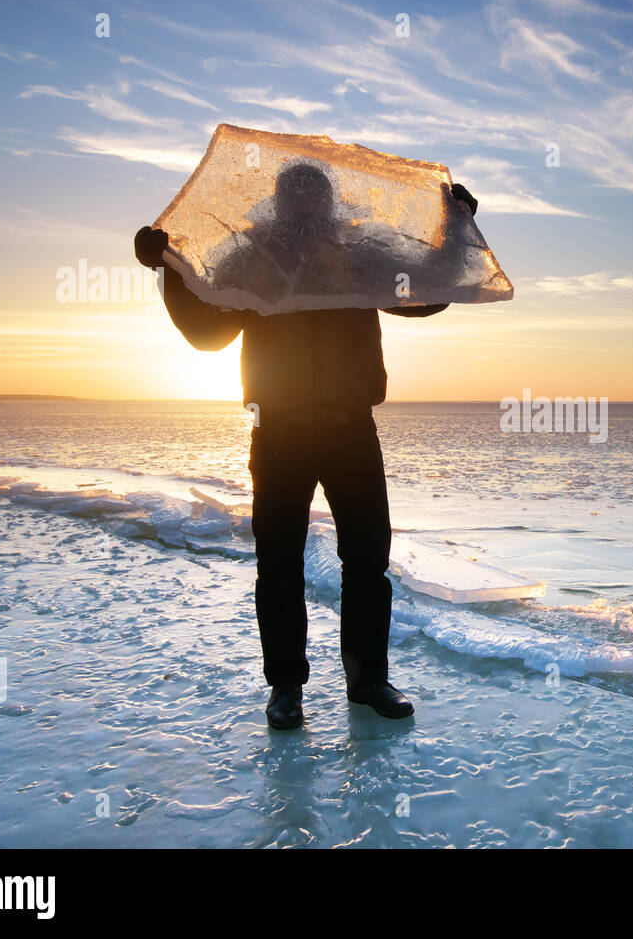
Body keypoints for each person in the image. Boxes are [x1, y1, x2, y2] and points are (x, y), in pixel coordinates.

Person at [134, 171, 479, 728]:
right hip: (278, 431)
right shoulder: (252, 257)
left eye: (314, 198)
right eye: (295, 198)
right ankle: (286, 687)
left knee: (368, 561)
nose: (306, 208)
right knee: (278, 564)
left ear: (330, 203)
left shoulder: (358, 252)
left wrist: (457, 223)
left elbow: (429, 291)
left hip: (351, 427)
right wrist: (166, 267)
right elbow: (206, 333)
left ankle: (368, 682)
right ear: (278, 204)